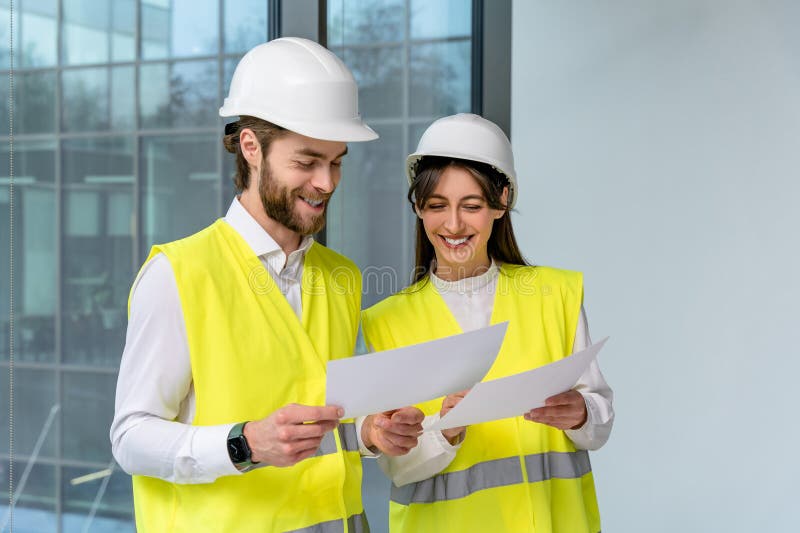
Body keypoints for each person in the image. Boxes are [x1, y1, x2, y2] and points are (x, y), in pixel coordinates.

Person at [110, 38, 423, 532]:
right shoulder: (180, 274)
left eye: (336, 161)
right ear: (251, 147)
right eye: (306, 162)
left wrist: (368, 433)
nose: (326, 182)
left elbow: (318, 426)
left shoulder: (340, 276)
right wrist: (245, 443)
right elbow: (130, 438)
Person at [361, 113, 614, 532]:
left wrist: (581, 414)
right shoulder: (388, 322)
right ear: (419, 208)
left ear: (502, 201)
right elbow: (397, 466)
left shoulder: (554, 295)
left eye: (472, 206)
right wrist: (445, 431)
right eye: (437, 206)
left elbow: (600, 423)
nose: (453, 224)